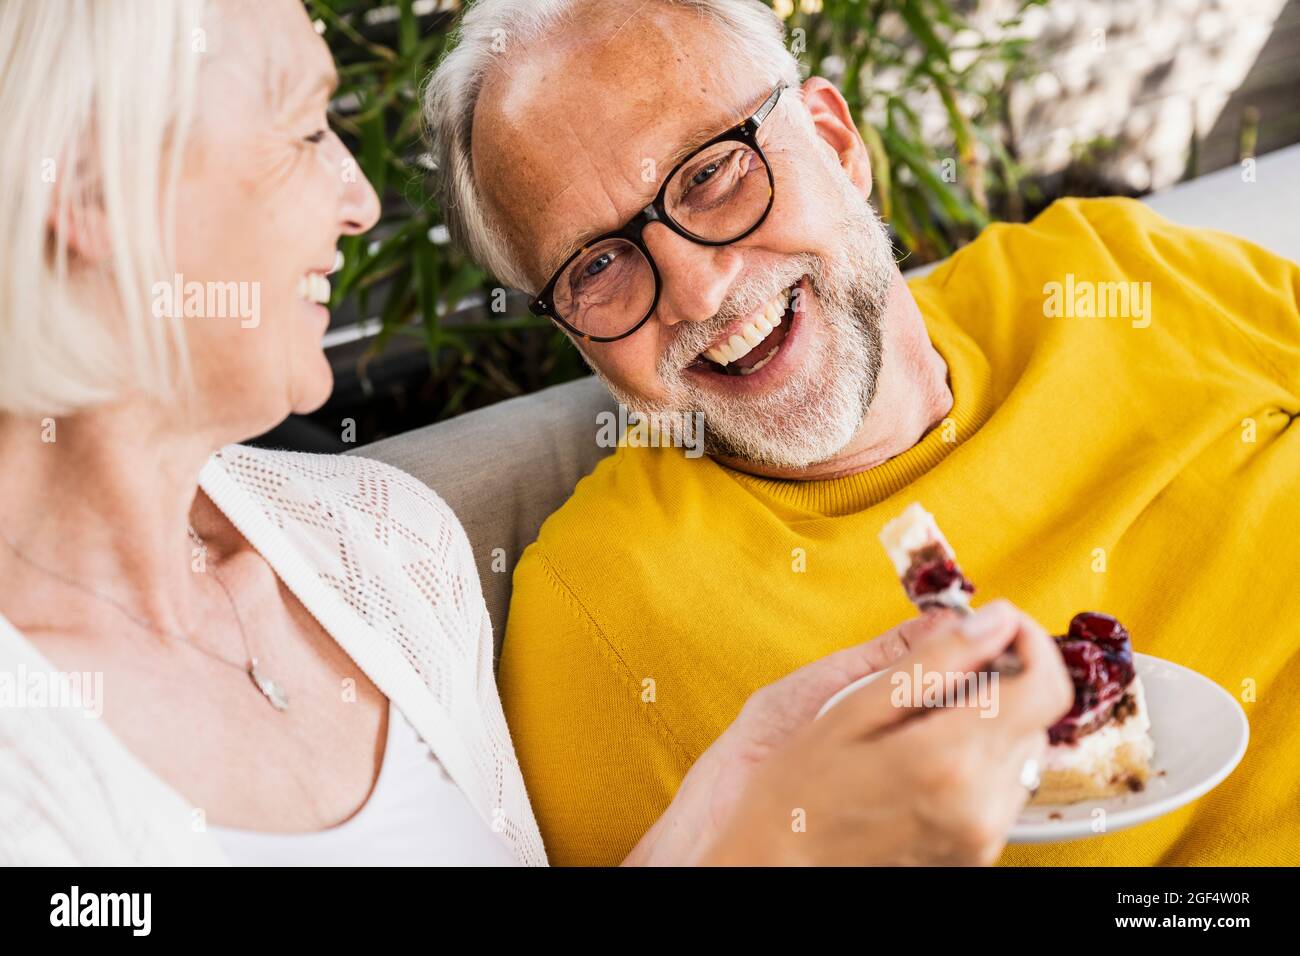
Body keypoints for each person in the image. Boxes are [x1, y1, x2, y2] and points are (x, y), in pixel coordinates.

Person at [0, 0, 1071, 867]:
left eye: (711, 173)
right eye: (300, 131)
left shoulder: (381, 543)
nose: (360, 199)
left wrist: (730, 803)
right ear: (87, 192)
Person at [419, 0, 1300, 865]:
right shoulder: (600, 615)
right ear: (572, 333)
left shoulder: (1114, 267)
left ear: (836, 143)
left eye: (709, 174)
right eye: (598, 265)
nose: (698, 292)